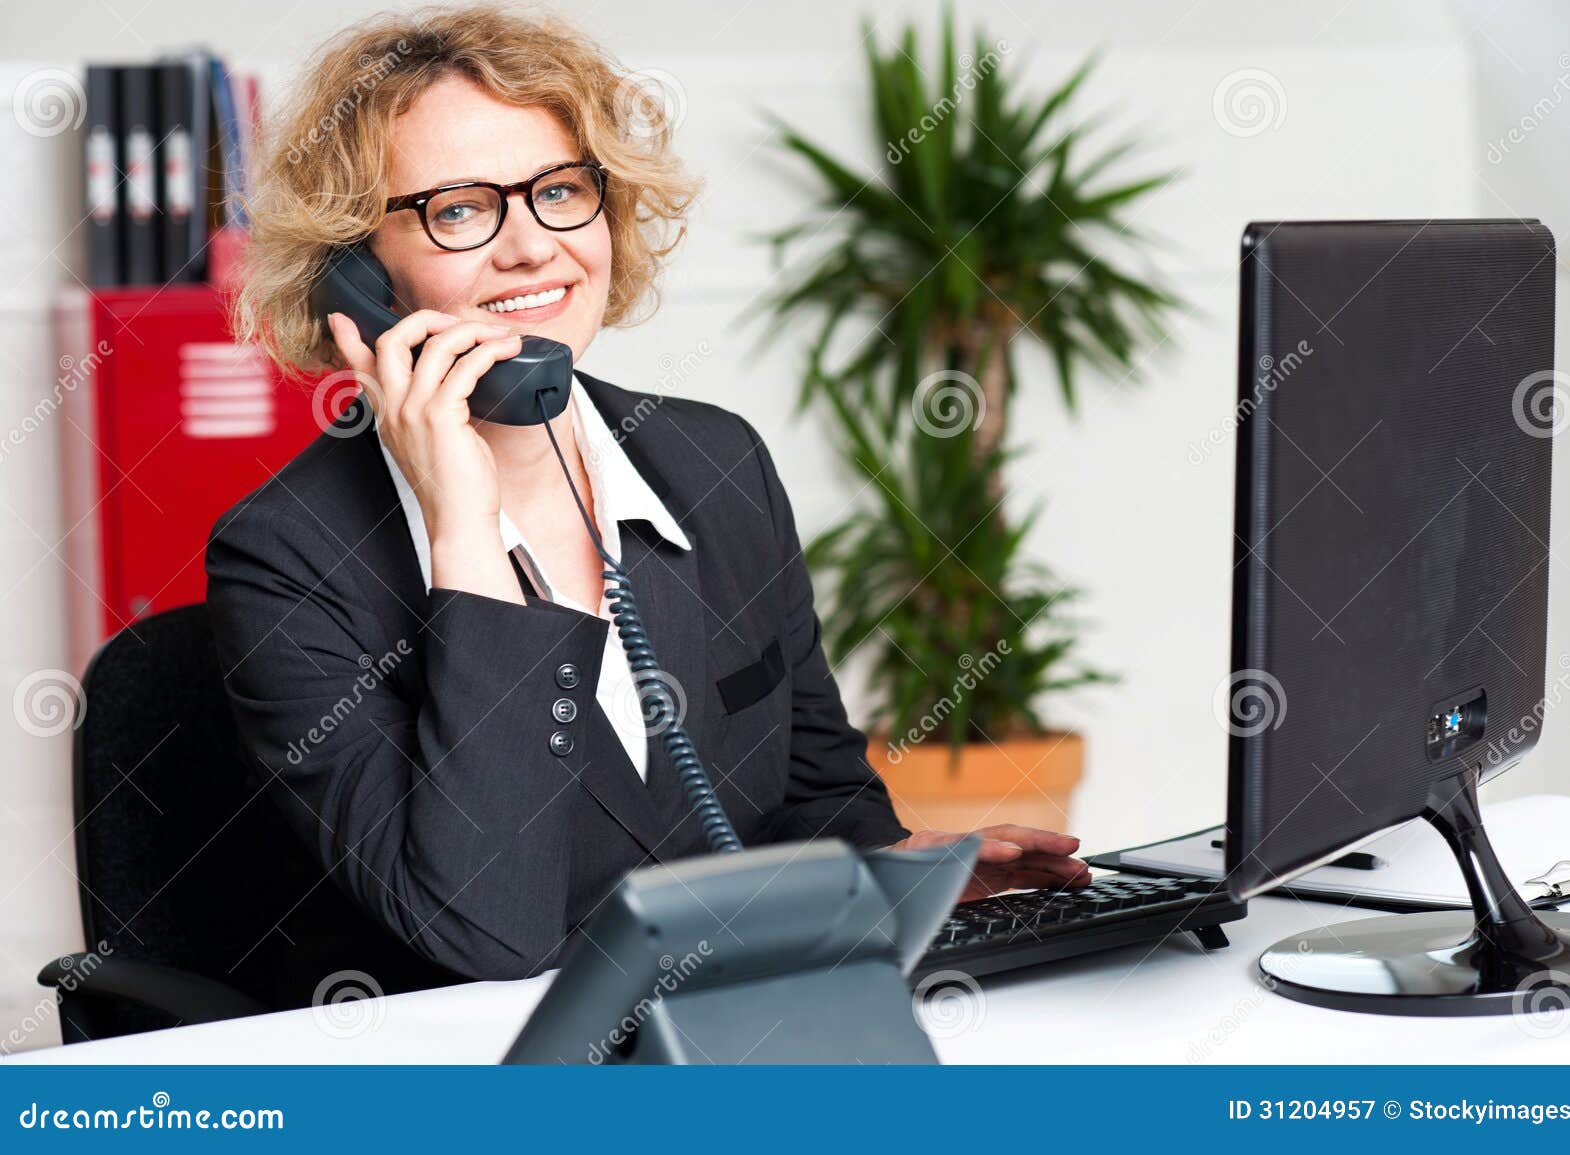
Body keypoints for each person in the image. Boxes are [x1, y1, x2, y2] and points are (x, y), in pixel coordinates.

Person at [206, 4, 1089, 984]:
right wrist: (464, 528)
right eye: (458, 209)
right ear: (356, 274)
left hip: (742, 1036)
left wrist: (893, 879)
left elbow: (819, 794)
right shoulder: (285, 557)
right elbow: (487, 934)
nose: (532, 246)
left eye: (558, 190)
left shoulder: (711, 463)